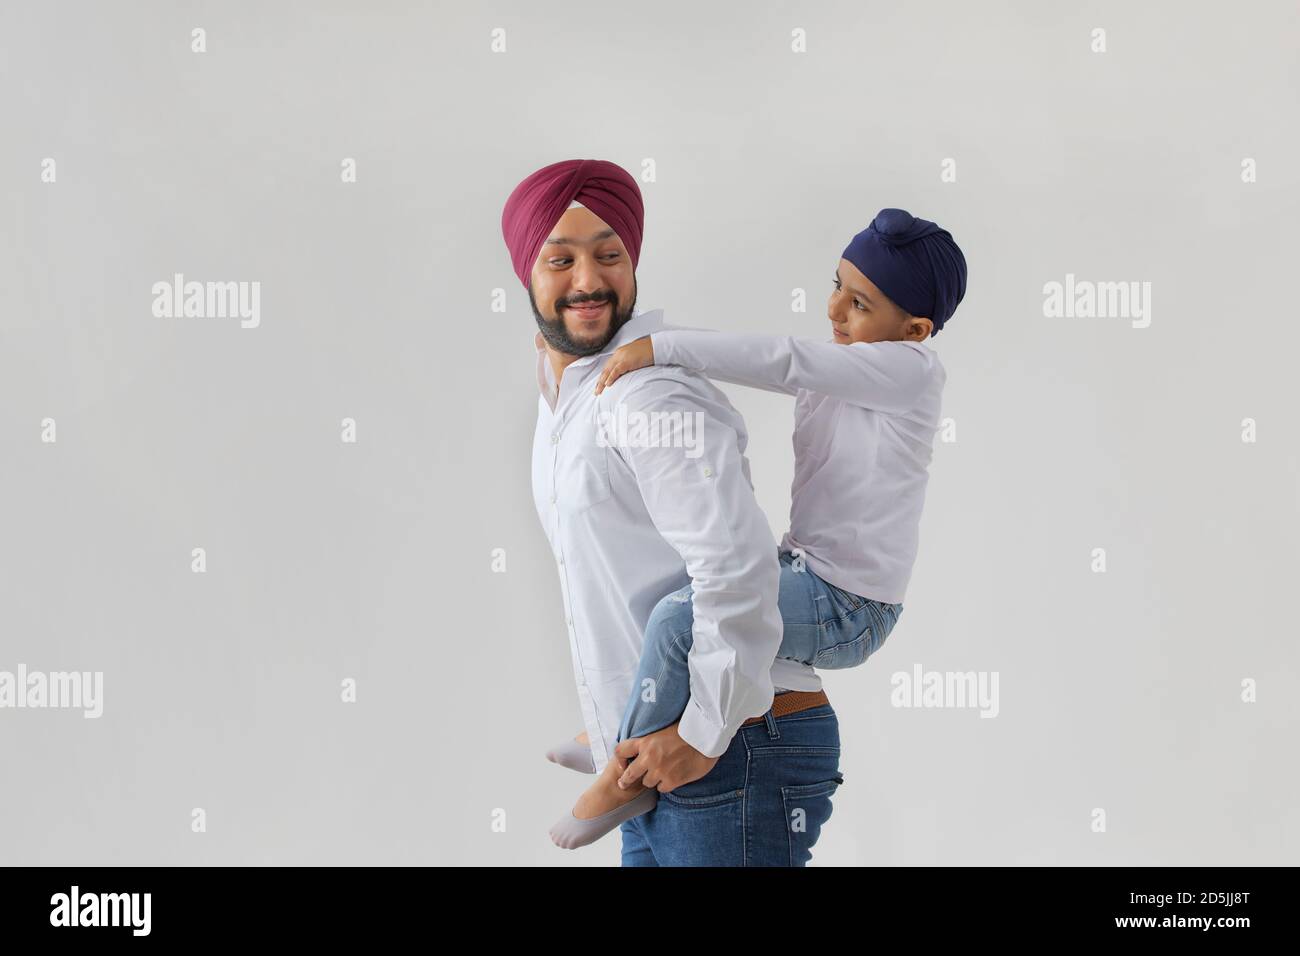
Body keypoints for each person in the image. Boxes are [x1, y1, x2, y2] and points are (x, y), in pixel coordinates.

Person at [547, 208, 968, 849]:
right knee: (698, 606)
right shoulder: (856, 361)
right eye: (837, 284)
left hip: (850, 605)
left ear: (914, 329)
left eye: (859, 302)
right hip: (808, 570)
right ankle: (615, 729)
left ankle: (622, 764)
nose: (834, 309)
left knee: (674, 619)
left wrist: (660, 347)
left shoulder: (910, 370)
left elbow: (782, 361)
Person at [503, 158, 841, 866]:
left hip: (730, 740)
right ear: (524, 271)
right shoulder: (563, 401)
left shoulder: (645, 397)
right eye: (559, 259)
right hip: (660, 753)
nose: (589, 280)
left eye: (610, 254)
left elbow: (737, 563)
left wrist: (702, 731)